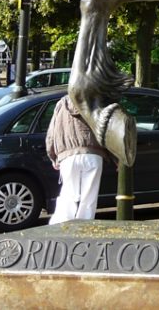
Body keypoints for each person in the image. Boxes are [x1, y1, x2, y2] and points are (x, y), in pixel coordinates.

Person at [46, 93, 109, 224]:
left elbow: (51, 133)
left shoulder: (61, 104)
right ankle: (84, 228)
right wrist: (115, 158)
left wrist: (53, 156)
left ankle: (61, 227)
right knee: (89, 197)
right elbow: (107, 132)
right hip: (93, 154)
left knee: (68, 194)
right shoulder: (96, 102)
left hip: (68, 156)